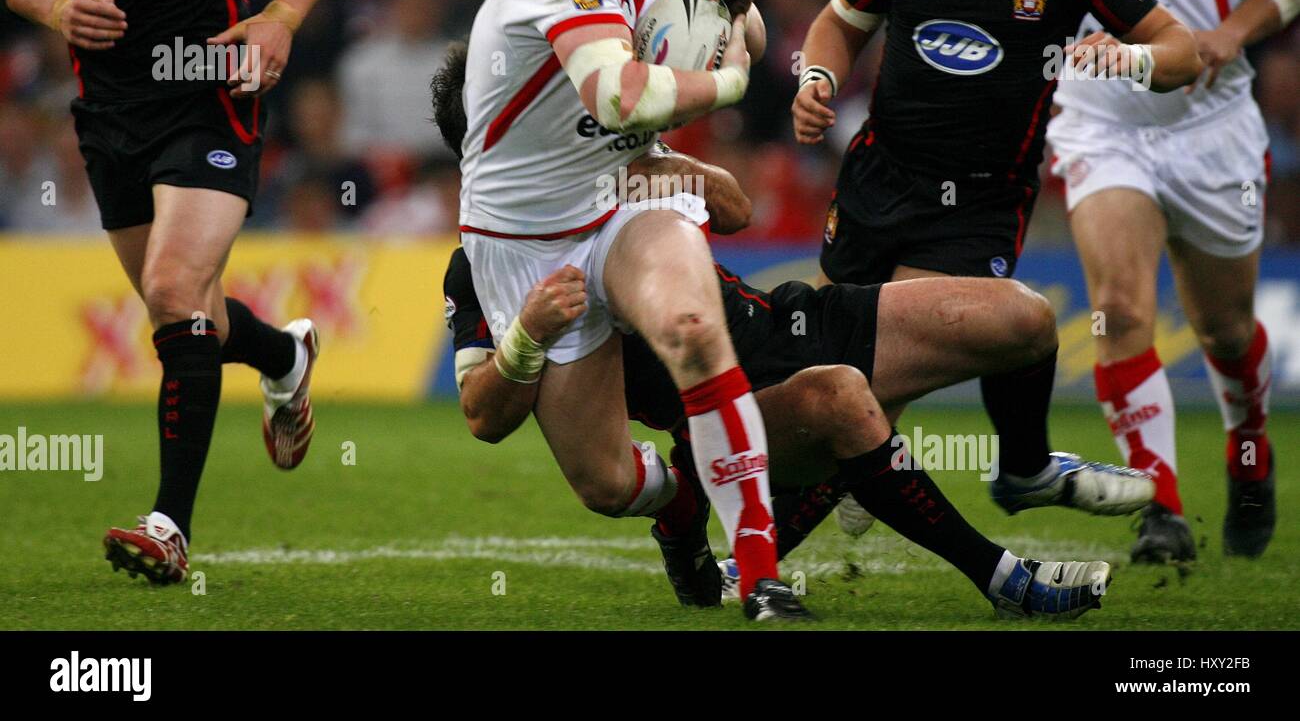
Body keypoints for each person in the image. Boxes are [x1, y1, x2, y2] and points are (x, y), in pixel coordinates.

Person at [433, 45, 1148, 622]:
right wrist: (526, 334)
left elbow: (735, 206)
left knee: (1023, 317)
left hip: (792, 317)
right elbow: (482, 413)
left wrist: (646, 167)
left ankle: (1017, 472)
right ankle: (1005, 579)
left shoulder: (609, 168)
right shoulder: (483, 266)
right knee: (843, 399)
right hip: (737, 404)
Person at [788, 0, 1201, 536]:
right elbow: (841, 21)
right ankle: (965, 466)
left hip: (976, 201)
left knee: (860, 375)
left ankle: (759, 557)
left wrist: (1133, 58)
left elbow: (1178, 48)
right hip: (875, 179)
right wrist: (815, 77)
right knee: (832, 365)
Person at [0, 0, 354, 584]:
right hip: (110, 108)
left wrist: (281, 16)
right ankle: (281, 357)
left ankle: (170, 527)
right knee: (184, 311)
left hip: (211, 87)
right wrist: (53, 7)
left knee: (171, 290)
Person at [457, 0, 804, 620]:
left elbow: (746, 35)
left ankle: (761, 574)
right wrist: (725, 83)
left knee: (691, 328)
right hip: (524, 234)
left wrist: (733, 4)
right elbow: (617, 96)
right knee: (608, 483)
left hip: (624, 192)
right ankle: (683, 510)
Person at [1036, 0, 1300, 562]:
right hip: (1101, 126)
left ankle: (1248, 443)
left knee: (1223, 328)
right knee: (1118, 304)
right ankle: (1162, 506)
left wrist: (1232, 32)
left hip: (1212, 125)